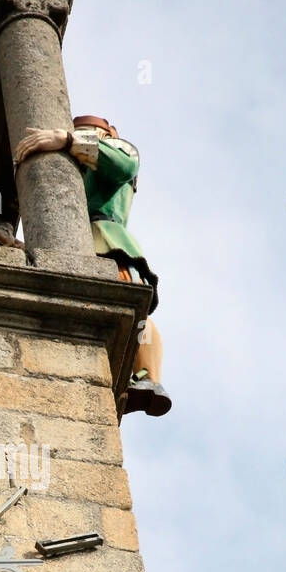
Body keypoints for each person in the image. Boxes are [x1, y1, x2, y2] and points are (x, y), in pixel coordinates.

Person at [12, 116, 171, 416]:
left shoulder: (118, 150)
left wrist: (70, 141)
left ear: (102, 134)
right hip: (70, 246)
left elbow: (123, 165)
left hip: (107, 243)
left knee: (132, 310)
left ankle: (148, 378)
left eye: (87, 132)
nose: (79, 136)